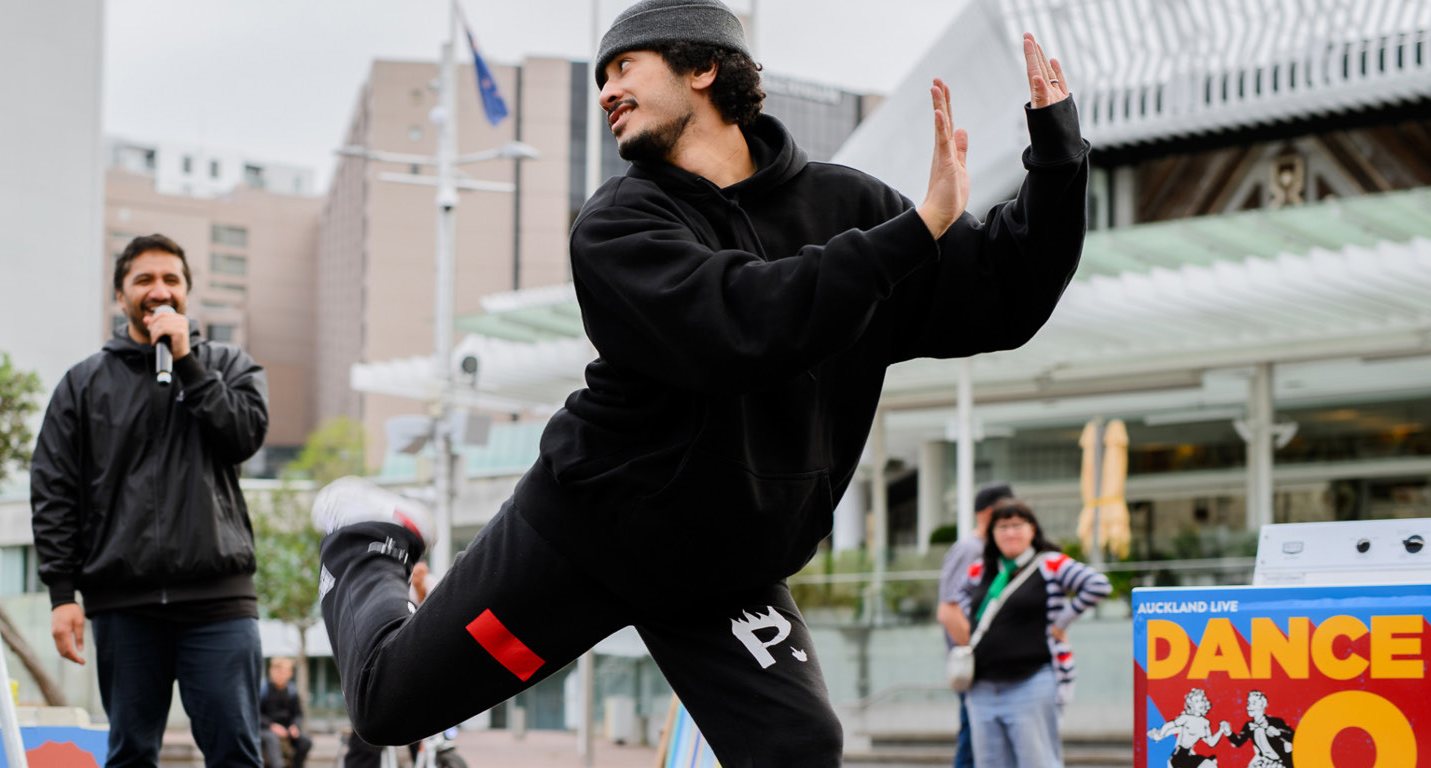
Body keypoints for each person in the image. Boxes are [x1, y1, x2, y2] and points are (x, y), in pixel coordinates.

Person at [310, 0, 1091, 764]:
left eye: (626, 66)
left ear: (704, 68)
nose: (608, 89)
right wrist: (910, 236)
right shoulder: (618, 223)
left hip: (725, 568)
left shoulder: (845, 206)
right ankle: (366, 540)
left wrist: (1056, 157)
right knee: (389, 706)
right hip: (587, 540)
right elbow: (741, 326)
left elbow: (1002, 296)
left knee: (798, 746)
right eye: (601, 75)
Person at [31, 233, 270, 768]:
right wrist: (62, 593)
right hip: (124, 603)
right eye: (144, 279)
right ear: (121, 297)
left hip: (218, 601)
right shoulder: (83, 384)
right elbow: (54, 490)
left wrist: (188, 364)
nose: (158, 290)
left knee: (235, 752)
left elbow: (244, 438)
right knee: (131, 753)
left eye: (171, 280)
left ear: (187, 294)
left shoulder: (230, 366)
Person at [956, 500, 1112, 768]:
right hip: (981, 686)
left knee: (1036, 760)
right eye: (1002, 527)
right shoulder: (982, 569)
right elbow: (959, 598)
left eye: (1017, 525)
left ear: (1032, 529)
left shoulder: (1049, 564)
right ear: (992, 534)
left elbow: (1098, 585)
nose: (1010, 533)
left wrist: (1061, 622)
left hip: (1029, 683)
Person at [936, 481, 1014, 768]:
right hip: (976, 665)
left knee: (979, 740)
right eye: (1007, 513)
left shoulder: (987, 550)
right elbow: (948, 609)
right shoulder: (971, 548)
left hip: (984, 662)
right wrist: (977, 649)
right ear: (989, 513)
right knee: (973, 741)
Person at [1148, 688, 1224, 768]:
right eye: (1196, 701)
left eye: (1201, 700)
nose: (1200, 703)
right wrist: (1160, 735)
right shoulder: (1186, 718)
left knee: (1211, 765)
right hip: (1178, 757)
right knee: (1209, 764)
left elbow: (1211, 742)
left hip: (1188, 756)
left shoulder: (1205, 723)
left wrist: (1221, 731)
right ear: (1191, 705)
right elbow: (1168, 725)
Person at [259, 658, 313, 768]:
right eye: (277, 671)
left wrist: (294, 726)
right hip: (265, 729)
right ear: (271, 671)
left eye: (283, 671)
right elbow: (255, 714)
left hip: (286, 729)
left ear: (290, 673)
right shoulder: (262, 691)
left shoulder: (292, 692)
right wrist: (271, 726)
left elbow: (298, 714)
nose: (280, 674)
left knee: (306, 742)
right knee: (272, 739)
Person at [1226, 690, 1292, 768]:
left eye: (1254, 703)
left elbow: (1292, 736)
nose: (1249, 706)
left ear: (1262, 705)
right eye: (1248, 703)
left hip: (1281, 762)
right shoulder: (1249, 725)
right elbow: (1238, 742)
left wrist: (1278, 733)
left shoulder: (1275, 721)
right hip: (1263, 761)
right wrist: (1229, 732)